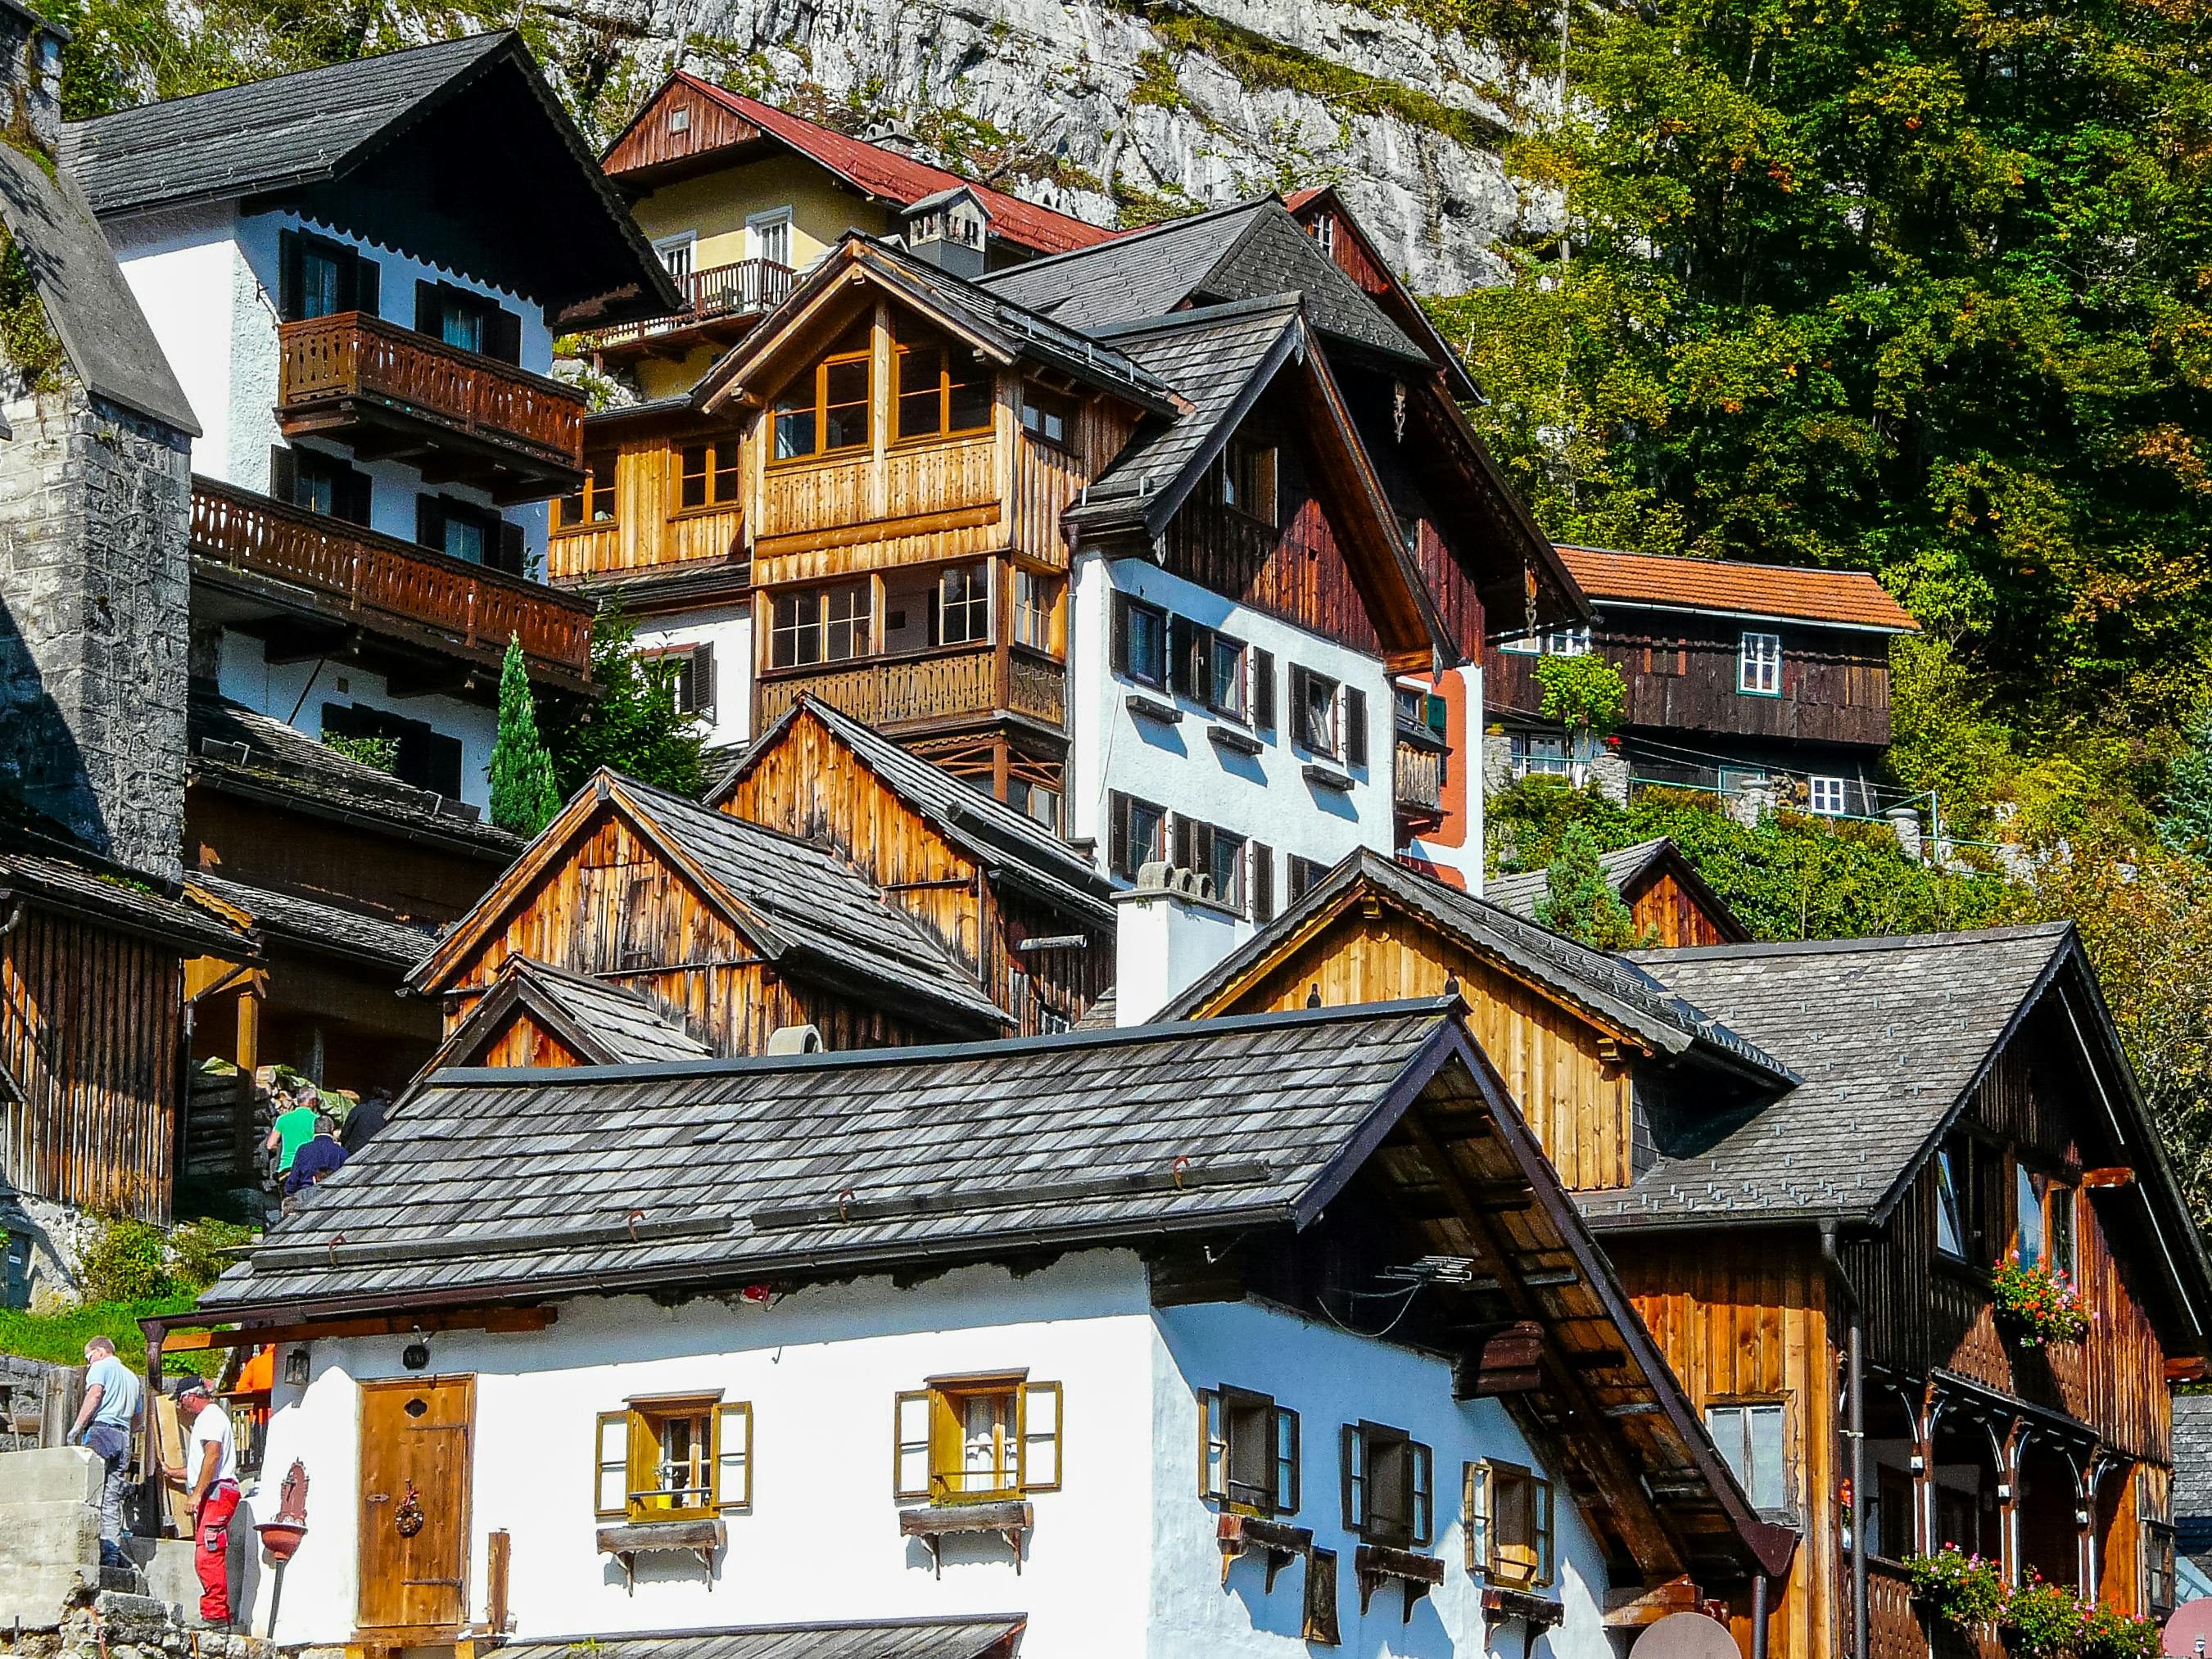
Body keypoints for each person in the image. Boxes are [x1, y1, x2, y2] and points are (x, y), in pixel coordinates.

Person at [163, 1376, 238, 1630]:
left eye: (181, 1400)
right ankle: (218, 1614)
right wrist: (173, 1472)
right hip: (216, 1489)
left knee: (208, 1553)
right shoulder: (209, 1418)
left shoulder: (210, 1418)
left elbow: (213, 1456)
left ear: (191, 1396)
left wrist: (196, 1494)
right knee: (207, 1551)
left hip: (218, 1491)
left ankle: (215, 1616)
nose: (181, 1406)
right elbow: (201, 1467)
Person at [68, 1336, 141, 1568]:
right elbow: (138, 1420)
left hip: (102, 1432)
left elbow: (95, 1395)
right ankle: (111, 1554)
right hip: (124, 1437)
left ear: (100, 1351)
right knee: (111, 1497)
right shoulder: (132, 1378)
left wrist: (77, 1427)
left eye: (89, 1357)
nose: (88, 1363)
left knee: (89, 1489)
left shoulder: (100, 1368)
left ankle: (83, 1550)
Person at [282, 1114, 348, 1214]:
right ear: (332, 1129)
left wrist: (290, 1193)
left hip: (304, 1197)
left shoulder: (303, 1150)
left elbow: (293, 1180)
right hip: (333, 1198)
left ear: (314, 1130)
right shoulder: (341, 1152)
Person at [264, 1083, 317, 1185]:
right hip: (307, 1170)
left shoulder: (283, 1119)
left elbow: (270, 1145)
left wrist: (281, 1149)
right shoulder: (317, 1120)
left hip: (286, 1168)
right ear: (312, 1101)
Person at [339, 1087, 389, 1154]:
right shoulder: (389, 1113)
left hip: (354, 1151)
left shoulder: (359, 1109)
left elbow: (345, 1133)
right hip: (377, 1153)